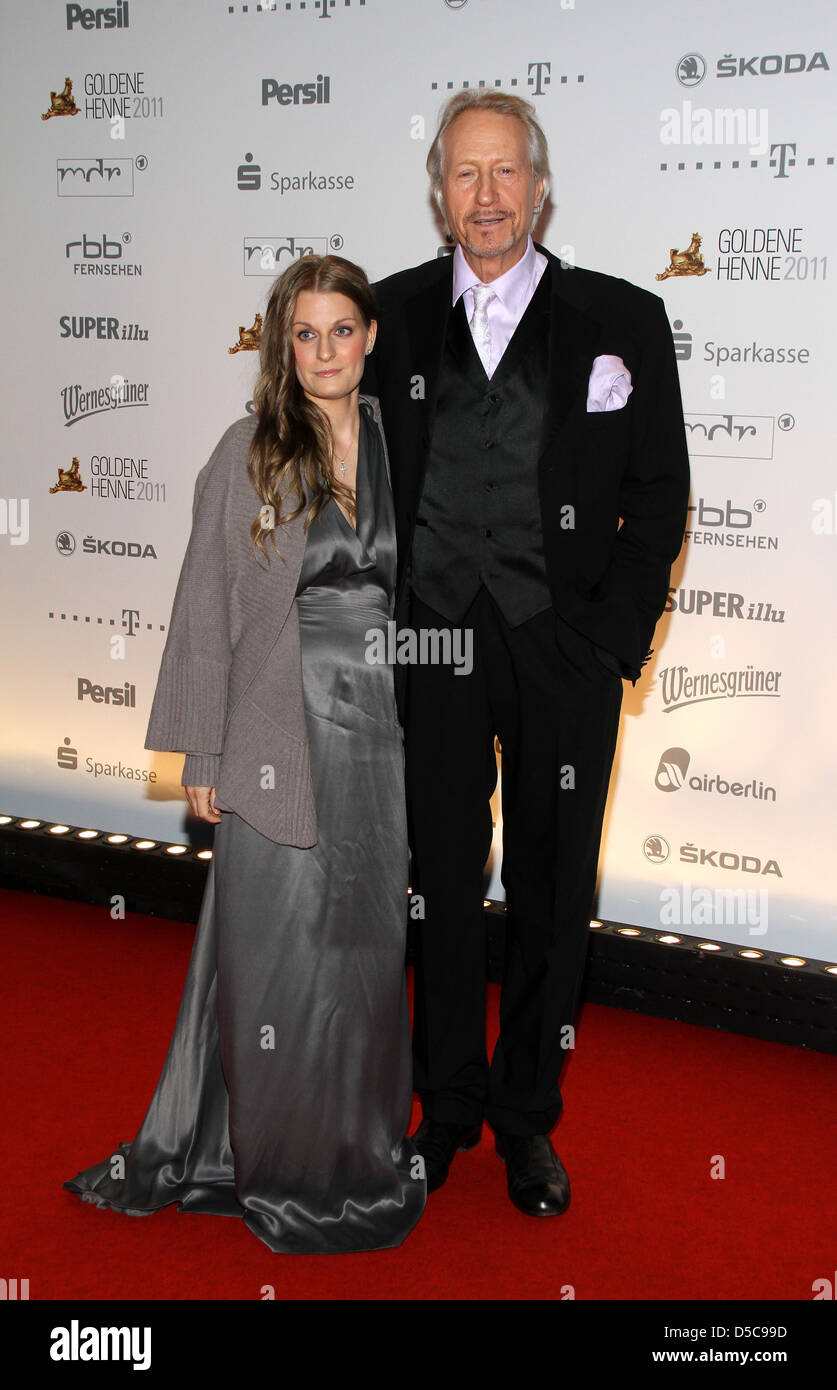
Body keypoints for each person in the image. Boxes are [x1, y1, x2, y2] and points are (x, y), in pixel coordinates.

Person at [361, 90, 690, 1216]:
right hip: (435, 640)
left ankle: (527, 1120)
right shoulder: (388, 317)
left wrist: (605, 645)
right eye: (466, 175)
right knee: (440, 880)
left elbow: (659, 495)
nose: (487, 196)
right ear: (439, 193)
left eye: (507, 173)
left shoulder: (623, 320)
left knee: (553, 893)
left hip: (563, 648)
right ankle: (445, 1105)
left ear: (541, 187)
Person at [64, 255, 426, 1253]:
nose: (323, 352)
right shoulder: (253, 452)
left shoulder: (401, 446)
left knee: (358, 953)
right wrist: (204, 748)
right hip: (278, 726)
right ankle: (257, 1153)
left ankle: (350, 1146)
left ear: (371, 338)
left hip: (377, 737)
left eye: (341, 331)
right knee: (273, 956)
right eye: (303, 334)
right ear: (282, 344)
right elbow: (207, 603)